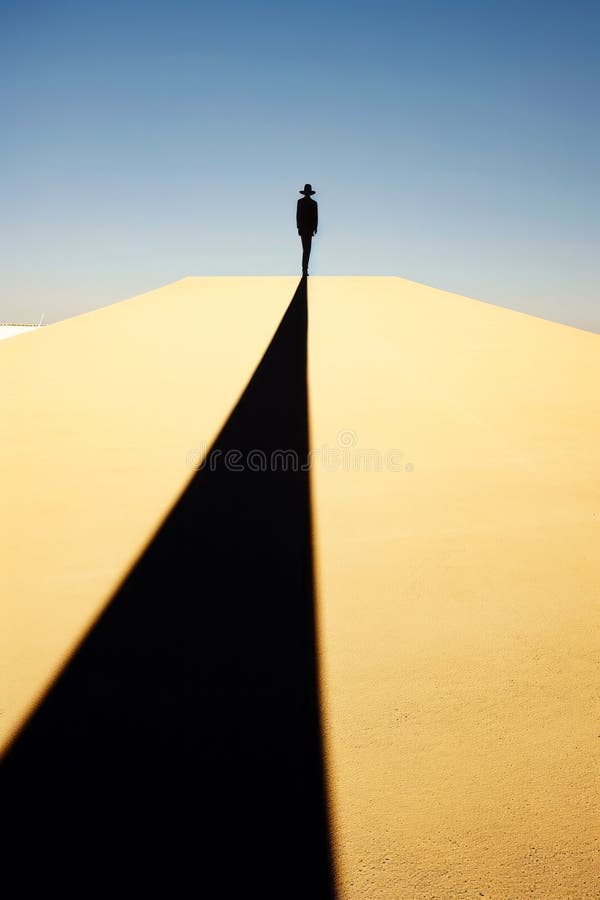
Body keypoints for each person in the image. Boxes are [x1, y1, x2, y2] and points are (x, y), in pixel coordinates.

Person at [296, 184, 318, 276]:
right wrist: (299, 227)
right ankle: (304, 269)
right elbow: (298, 215)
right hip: (305, 228)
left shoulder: (313, 203)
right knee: (306, 249)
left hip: (308, 229)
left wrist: (315, 227)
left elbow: (315, 216)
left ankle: (305, 269)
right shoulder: (301, 202)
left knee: (307, 250)